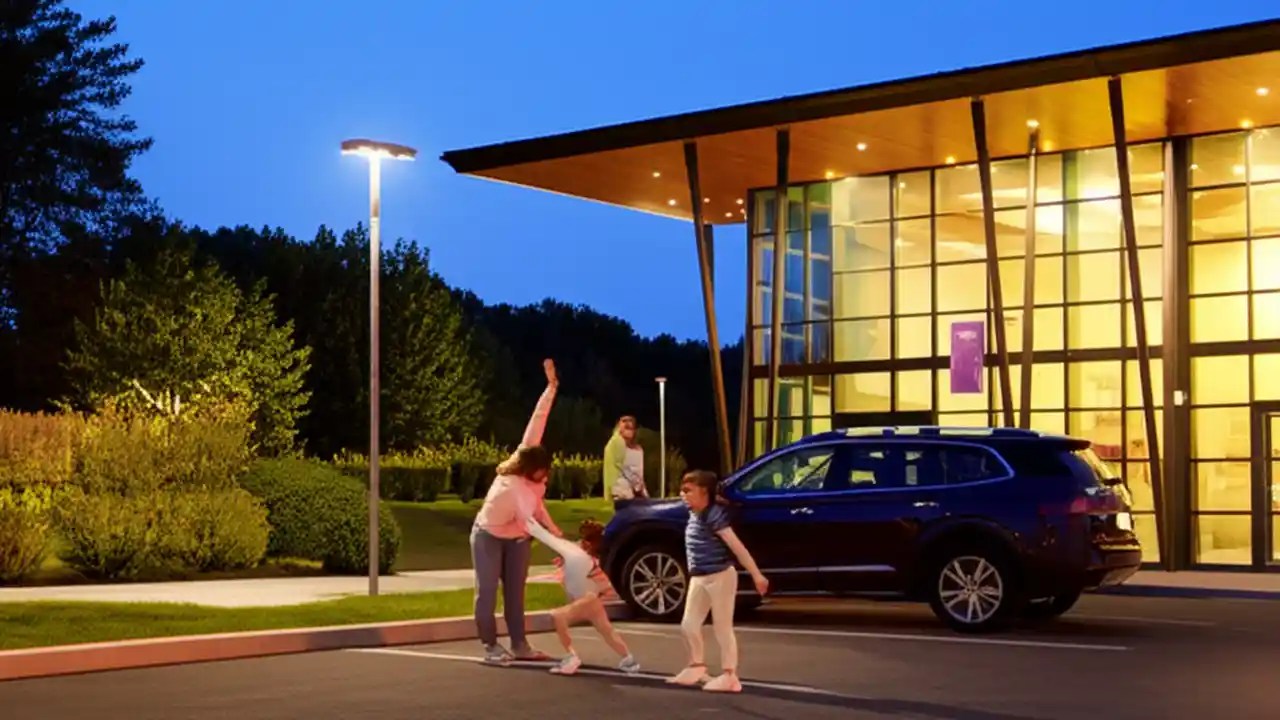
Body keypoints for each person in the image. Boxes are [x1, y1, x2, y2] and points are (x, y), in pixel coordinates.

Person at [471, 358, 564, 665]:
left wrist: (551, 388)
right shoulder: (513, 486)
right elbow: (530, 518)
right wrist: (557, 542)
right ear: (529, 469)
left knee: (516, 594)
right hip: (489, 535)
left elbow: (538, 420)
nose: (546, 476)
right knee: (487, 592)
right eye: (543, 472)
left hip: (518, 538)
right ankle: (490, 646)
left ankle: (520, 644)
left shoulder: (530, 459)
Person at [667, 470, 769, 694]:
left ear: (704, 492)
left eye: (688, 490)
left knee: (722, 628)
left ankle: (730, 676)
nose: (682, 494)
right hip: (699, 577)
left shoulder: (714, 515)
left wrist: (756, 574)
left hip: (721, 575)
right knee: (689, 624)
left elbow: (736, 546)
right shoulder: (694, 513)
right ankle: (696, 665)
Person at [525, 518, 640, 676]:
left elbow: (551, 540)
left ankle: (571, 657)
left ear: (588, 543)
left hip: (586, 599)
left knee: (559, 617)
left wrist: (532, 524)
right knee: (606, 630)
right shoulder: (587, 558)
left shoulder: (578, 556)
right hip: (593, 600)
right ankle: (628, 659)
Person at [605, 415, 647, 504]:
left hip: (635, 495)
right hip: (620, 495)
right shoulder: (615, 445)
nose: (628, 422)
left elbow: (639, 476)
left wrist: (645, 495)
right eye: (624, 421)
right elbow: (626, 471)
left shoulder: (638, 450)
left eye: (631, 423)